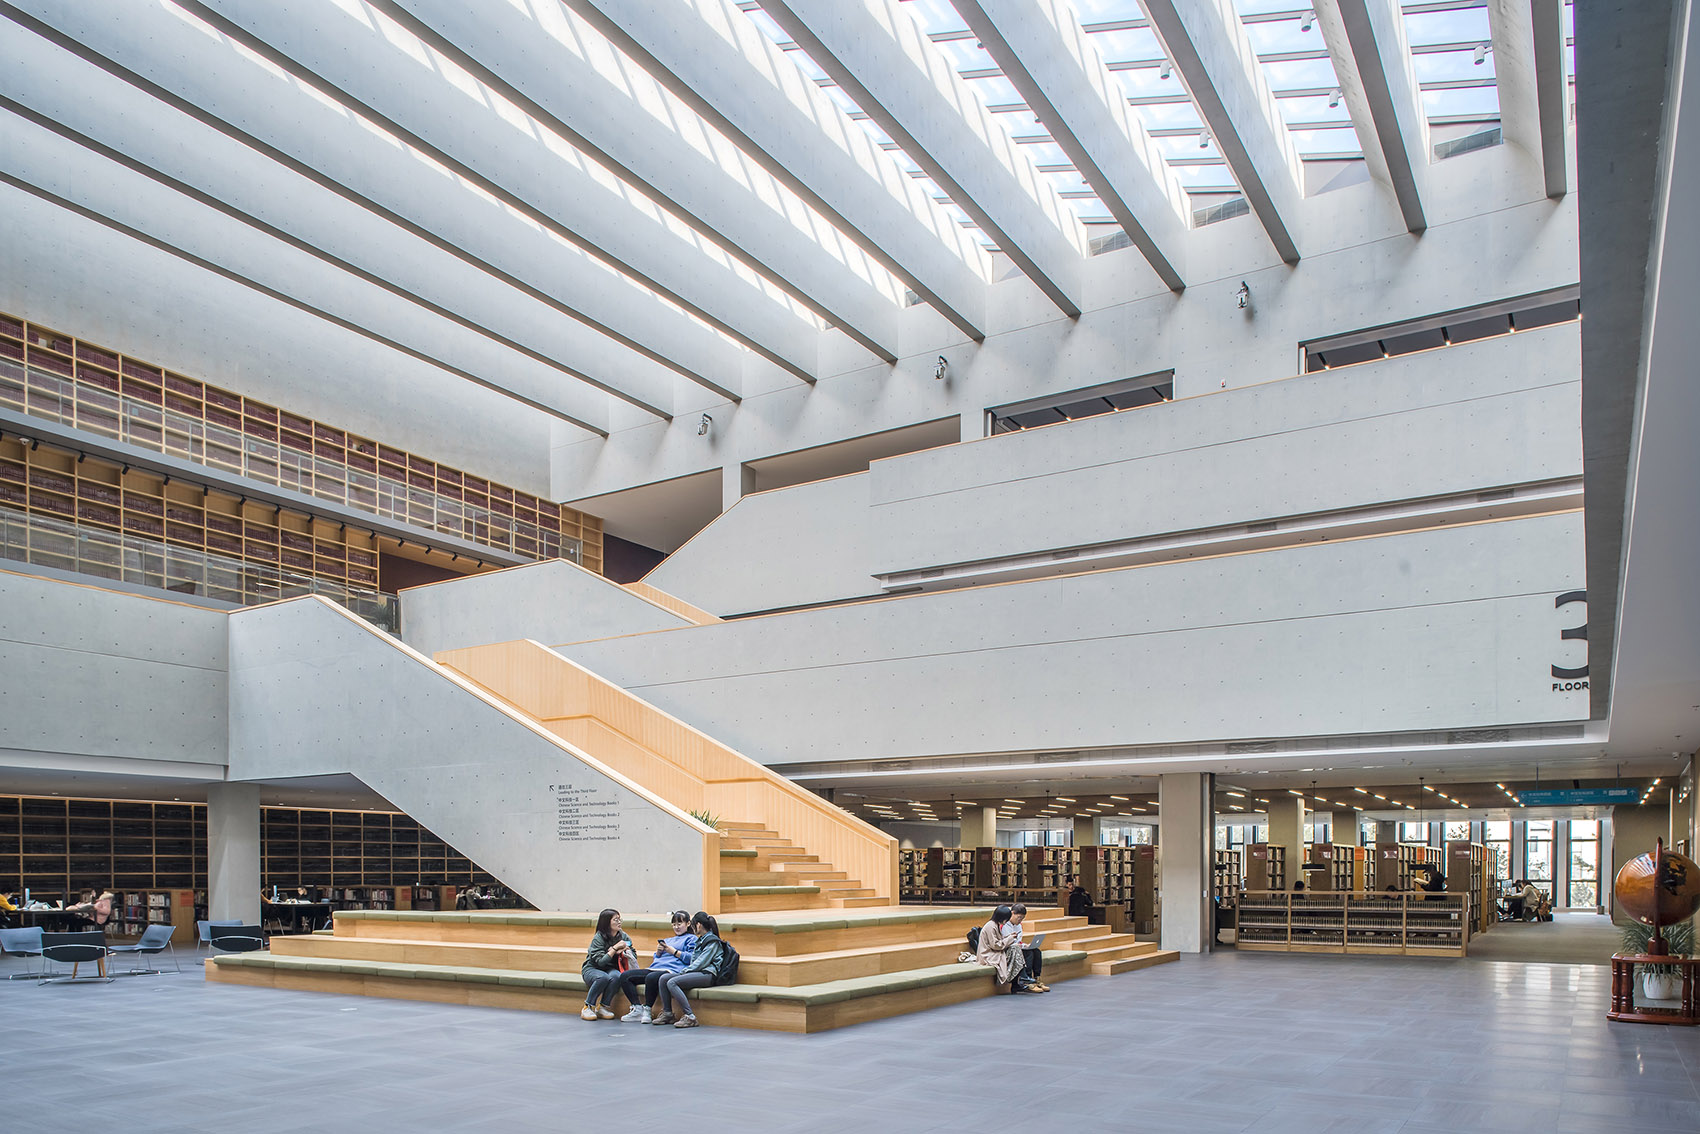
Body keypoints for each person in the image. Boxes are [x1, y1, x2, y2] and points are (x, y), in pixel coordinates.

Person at [619, 910, 697, 1023]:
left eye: (679, 924)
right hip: (656, 967)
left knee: (652, 977)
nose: (676, 927)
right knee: (625, 976)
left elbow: (692, 959)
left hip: (672, 970)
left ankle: (647, 1009)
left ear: (688, 924)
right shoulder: (667, 940)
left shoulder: (692, 939)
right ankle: (637, 1007)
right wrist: (658, 953)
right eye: (674, 924)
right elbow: (657, 959)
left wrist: (674, 951)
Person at [652, 912, 726, 1029]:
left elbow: (700, 963)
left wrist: (682, 972)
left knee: (672, 982)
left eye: (693, 925)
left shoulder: (712, 941)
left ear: (699, 925)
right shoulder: (700, 940)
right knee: (663, 979)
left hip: (707, 974)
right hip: (698, 972)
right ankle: (667, 1013)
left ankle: (690, 1016)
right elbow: (694, 959)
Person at [580, 908, 636, 1021]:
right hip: (592, 968)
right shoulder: (598, 938)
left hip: (610, 968)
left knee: (617, 976)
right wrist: (614, 949)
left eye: (620, 919)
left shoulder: (623, 936)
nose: (619, 922)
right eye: (615, 920)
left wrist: (625, 951)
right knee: (603, 977)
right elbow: (600, 962)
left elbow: (634, 955)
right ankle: (588, 1006)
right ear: (607, 923)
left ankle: (603, 1007)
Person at [974, 904, 1039, 993]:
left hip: (995, 952)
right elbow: (996, 945)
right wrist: (1010, 938)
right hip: (989, 954)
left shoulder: (994, 925)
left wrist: (1010, 938)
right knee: (1015, 948)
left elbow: (999, 943)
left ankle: (1019, 981)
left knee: (1017, 949)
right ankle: (1020, 978)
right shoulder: (990, 926)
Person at [1008, 904, 1048, 992]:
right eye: (1019, 917)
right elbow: (1006, 942)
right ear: (1012, 913)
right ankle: (1027, 980)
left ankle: (1037, 978)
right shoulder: (1005, 925)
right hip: (1009, 950)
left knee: (1036, 951)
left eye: (1022, 918)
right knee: (1028, 953)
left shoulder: (1019, 925)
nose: (1020, 920)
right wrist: (1021, 946)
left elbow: (1018, 940)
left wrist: (1025, 945)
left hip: (1017, 947)